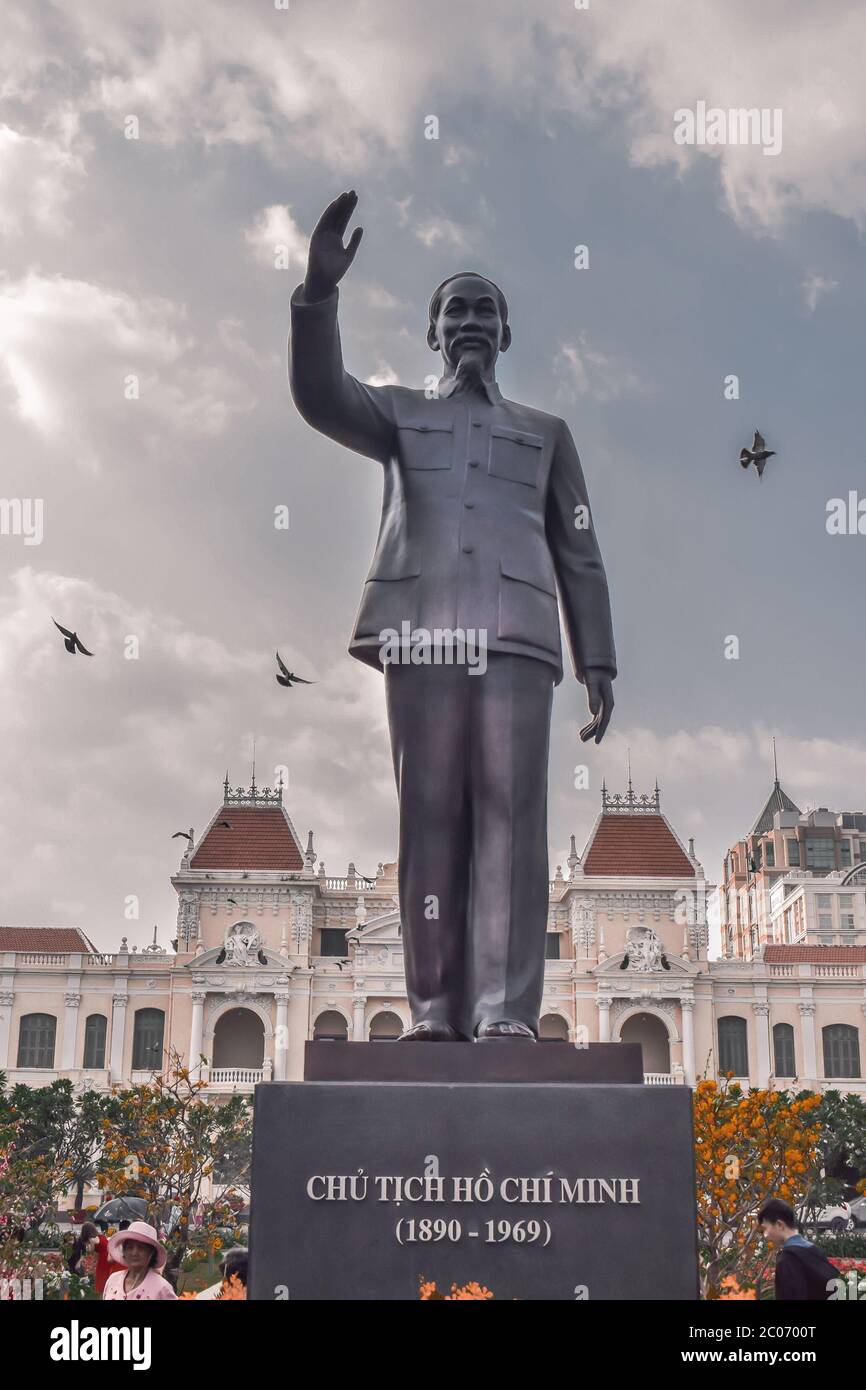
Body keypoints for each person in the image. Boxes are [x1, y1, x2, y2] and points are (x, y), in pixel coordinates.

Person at [290, 191, 616, 1043]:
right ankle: (433, 1010)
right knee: (428, 812)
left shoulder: (547, 432)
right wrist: (318, 294)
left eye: (485, 311)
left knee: (512, 818)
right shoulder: (399, 412)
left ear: (505, 335)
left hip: (517, 634)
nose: (470, 323)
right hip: (420, 630)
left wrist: (599, 661)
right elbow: (321, 396)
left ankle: (507, 1013)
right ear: (434, 332)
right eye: (455, 311)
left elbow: (578, 545)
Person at [758, 1199, 838, 1300]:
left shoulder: (788, 1259)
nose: (765, 1235)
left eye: (765, 1229)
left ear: (779, 1225)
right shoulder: (815, 1251)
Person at [102, 1221, 177, 1301]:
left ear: (151, 1253)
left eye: (141, 1248)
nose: (134, 1253)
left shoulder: (162, 1288)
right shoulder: (113, 1279)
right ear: (124, 1251)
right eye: (130, 1247)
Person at [68, 1220, 123, 1294]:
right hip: (108, 1255)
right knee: (107, 1275)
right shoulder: (101, 1236)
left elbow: (91, 1250)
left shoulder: (91, 1239)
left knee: (101, 1275)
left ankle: (101, 1290)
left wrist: (87, 1246)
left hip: (103, 1258)